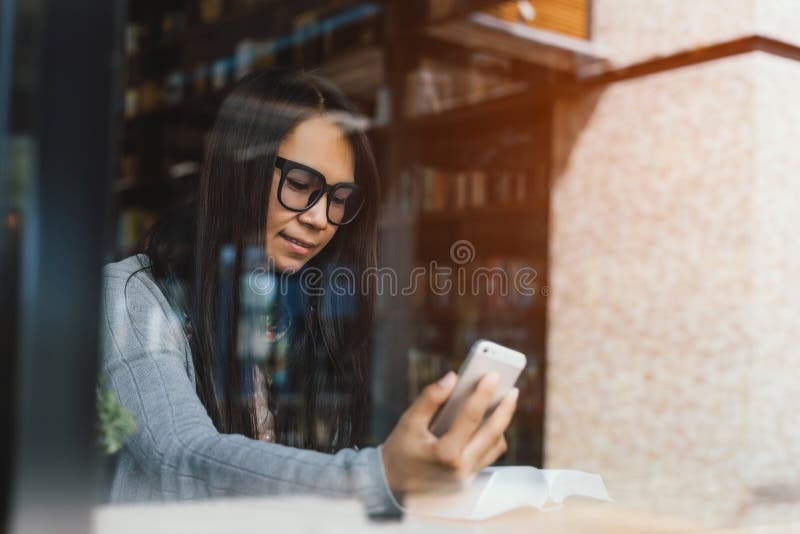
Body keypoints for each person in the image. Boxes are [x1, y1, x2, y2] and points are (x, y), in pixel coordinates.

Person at [99, 68, 519, 518]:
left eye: (338, 198)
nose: (320, 217)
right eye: (300, 185)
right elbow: (179, 457)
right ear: (242, 172)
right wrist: (381, 476)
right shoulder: (129, 295)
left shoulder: (301, 309)